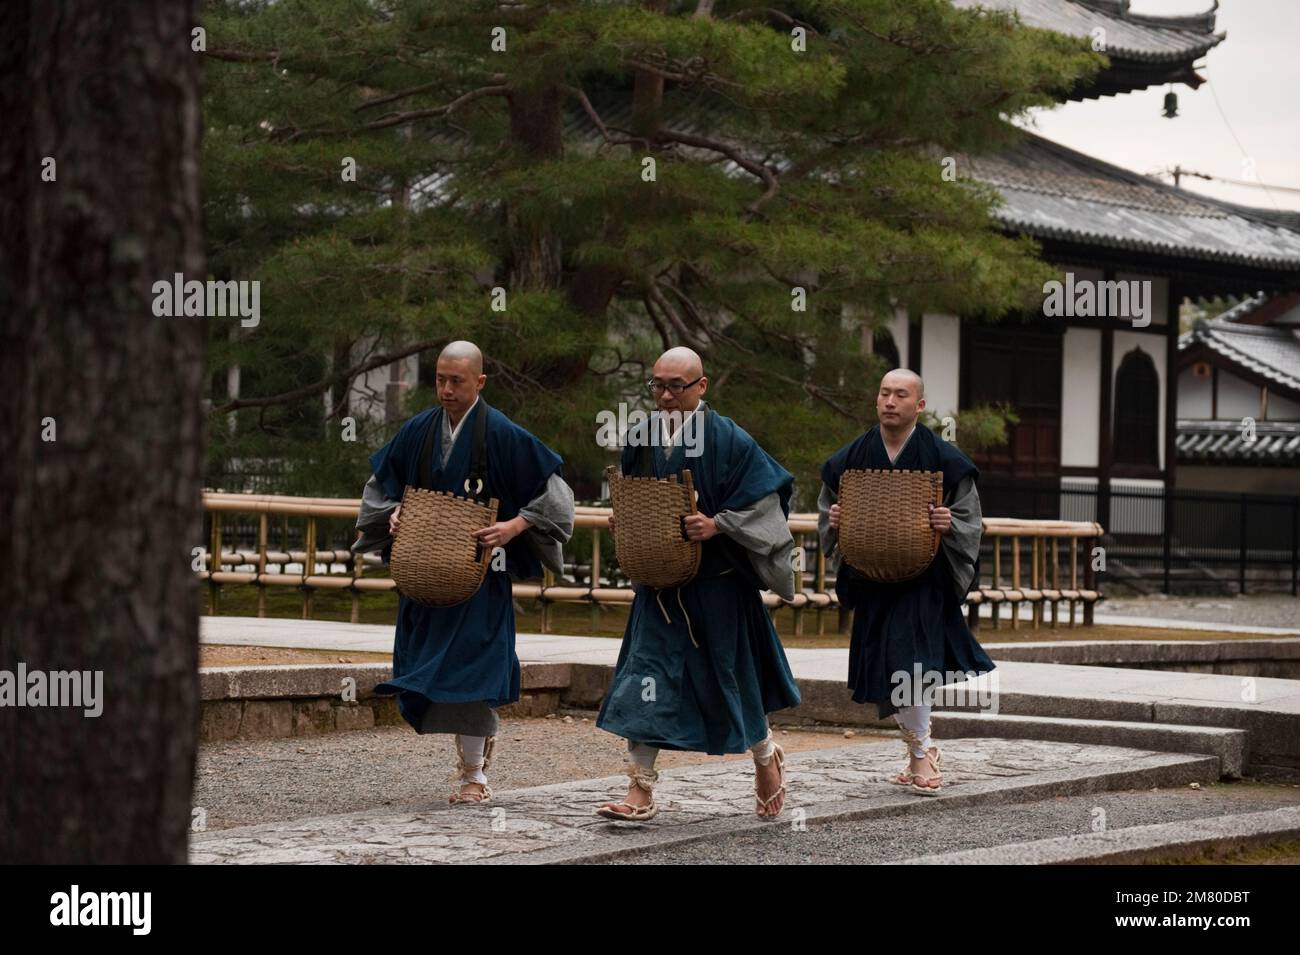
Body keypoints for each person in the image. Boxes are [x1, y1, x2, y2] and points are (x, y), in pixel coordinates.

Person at [352, 341, 574, 804]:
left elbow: (558, 498)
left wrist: (514, 526)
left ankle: (474, 776)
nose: (447, 390)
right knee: (428, 671)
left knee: (474, 674)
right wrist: (394, 512)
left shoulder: (502, 433)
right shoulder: (418, 431)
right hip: (425, 576)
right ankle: (467, 763)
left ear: (480, 382)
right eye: (440, 379)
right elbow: (381, 488)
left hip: (481, 578)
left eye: (457, 381)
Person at [595, 346, 801, 821]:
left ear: (701, 387)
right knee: (645, 680)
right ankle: (640, 789)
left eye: (676, 386)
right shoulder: (642, 437)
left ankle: (766, 757)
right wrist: (626, 524)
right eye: (657, 386)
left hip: (718, 586)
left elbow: (768, 503)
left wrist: (720, 525)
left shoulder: (730, 440)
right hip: (661, 586)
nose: (665, 396)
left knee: (734, 680)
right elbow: (634, 494)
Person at [818, 369, 995, 795]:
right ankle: (924, 748)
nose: (889, 402)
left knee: (910, 662)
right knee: (887, 665)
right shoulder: (853, 457)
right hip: (871, 576)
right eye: (884, 393)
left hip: (924, 578)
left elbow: (971, 519)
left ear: (919, 406)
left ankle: (919, 755)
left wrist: (949, 523)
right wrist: (835, 521)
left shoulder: (942, 458)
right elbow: (827, 508)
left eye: (901, 395)